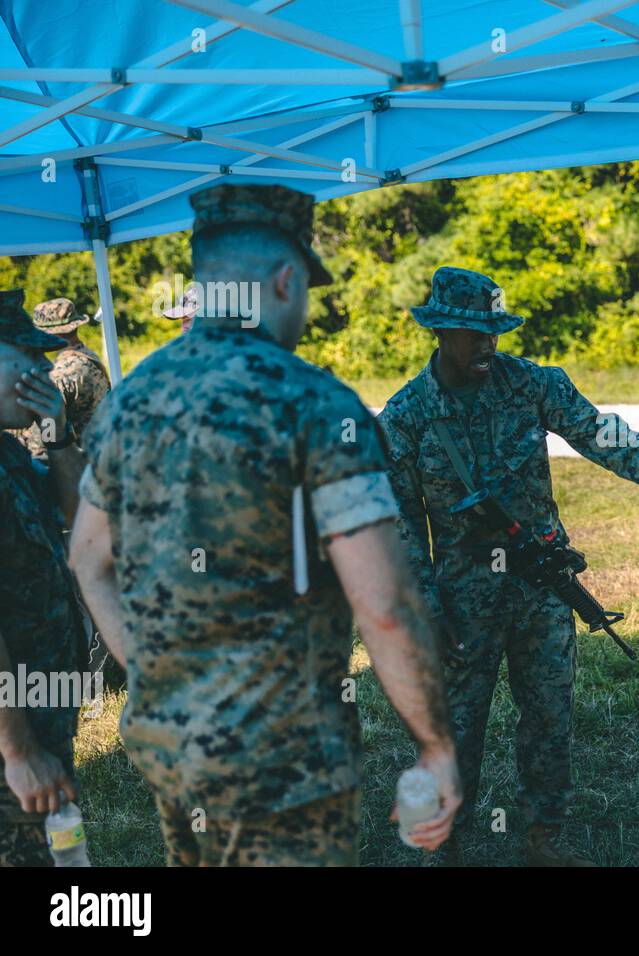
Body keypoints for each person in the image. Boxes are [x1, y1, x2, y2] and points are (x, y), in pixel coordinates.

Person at [68, 183, 461, 866]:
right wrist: (435, 745)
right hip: (285, 766)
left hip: (171, 752)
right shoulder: (314, 405)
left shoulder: (128, 401)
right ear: (285, 280)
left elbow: (86, 560)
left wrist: (156, 673)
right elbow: (386, 606)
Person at [379, 266, 639, 866]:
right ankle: (447, 845)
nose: (487, 344)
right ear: (440, 331)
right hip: (462, 603)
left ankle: (545, 839)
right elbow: (400, 527)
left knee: (548, 717)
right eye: (473, 333)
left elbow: (600, 433)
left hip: (542, 586)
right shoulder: (407, 417)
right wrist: (427, 613)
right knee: (457, 730)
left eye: (494, 332)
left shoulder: (530, 385)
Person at [0, 290, 89, 866]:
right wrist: (19, 750)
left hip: (43, 702)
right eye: (27, 359)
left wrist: (57, 434)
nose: (43, 371)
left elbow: (82, 521)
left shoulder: (8, 453)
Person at [5, 297, 109, 461]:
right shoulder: (87, 356)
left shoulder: (61, 373)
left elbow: (46, 419)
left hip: (75, 462)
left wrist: (39, 453)